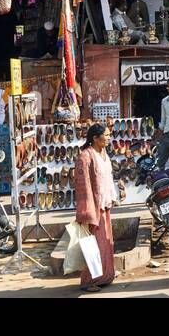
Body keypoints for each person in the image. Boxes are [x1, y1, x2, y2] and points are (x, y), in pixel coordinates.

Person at [74, 123, 117, 292]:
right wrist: (87, 212)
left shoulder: (104, 153)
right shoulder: (85, 156)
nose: (108, 138)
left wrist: (112, 196)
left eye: (109, 135)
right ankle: (87, 281)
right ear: (95, 138)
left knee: (105, 244)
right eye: (106, 135)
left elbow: (109, 176)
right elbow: (82, 186)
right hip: (93, 208)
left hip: (104, 205)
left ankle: (104, 276)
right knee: (92, 245)